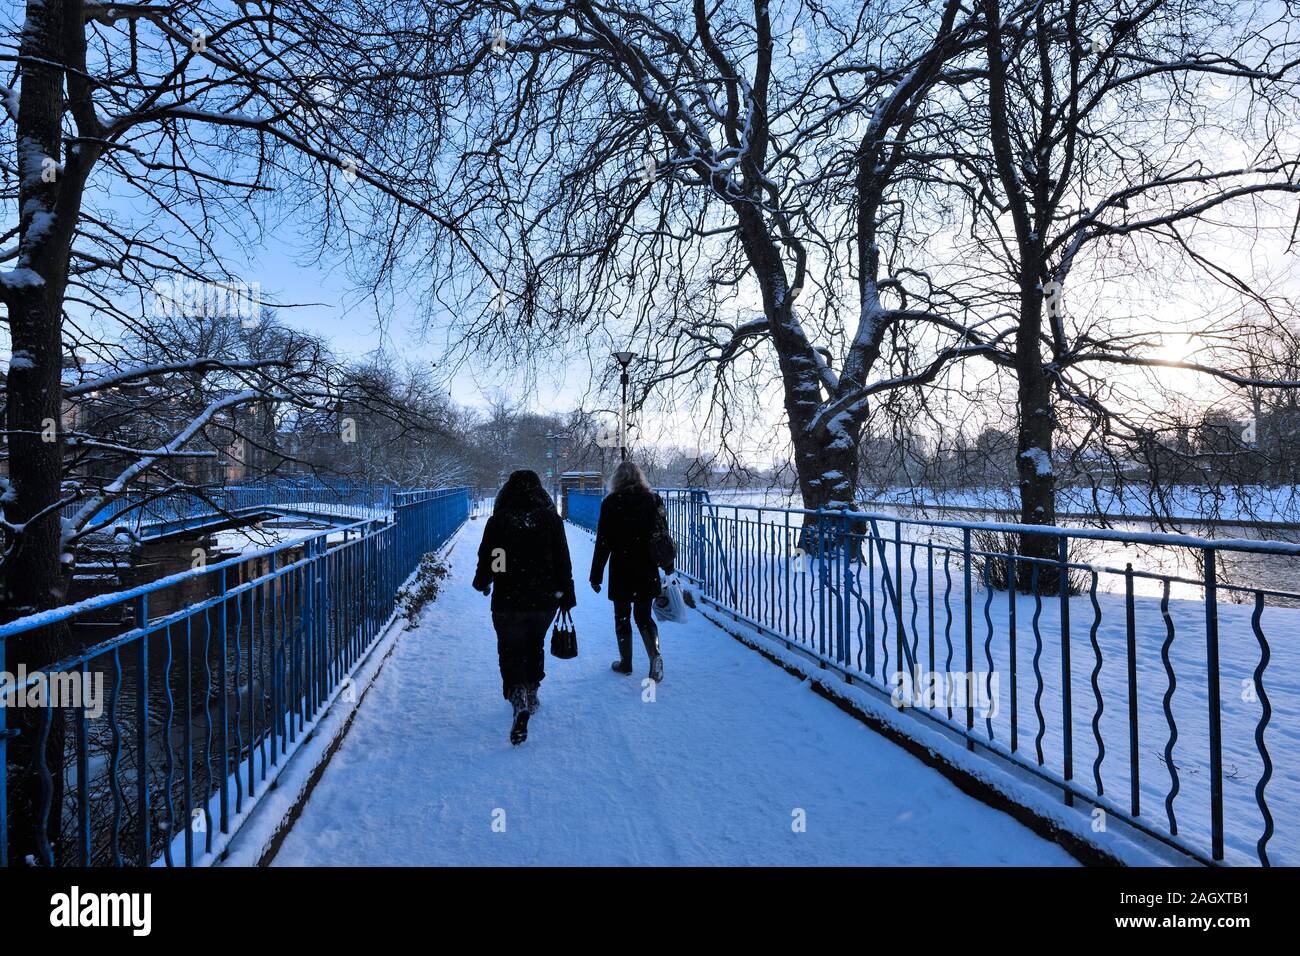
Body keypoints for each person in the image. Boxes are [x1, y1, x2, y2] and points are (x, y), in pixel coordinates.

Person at [473, 470, 576, 745]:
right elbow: (562, 561)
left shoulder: (499, 522)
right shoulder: (552, 521)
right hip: (544, 600)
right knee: (534, 645)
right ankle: (532, 691)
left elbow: (493, 559)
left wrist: (484, 581)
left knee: (509, 648)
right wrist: (566, 596)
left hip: (508, 600)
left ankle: (517, 695)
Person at [589, 460, 672, 682]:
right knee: (643, 616)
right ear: (640, 477)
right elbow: (662, 535)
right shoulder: (653, 500)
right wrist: (668, 566)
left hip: (622, 567)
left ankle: (626, 663)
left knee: (622, 616)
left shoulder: (610, 503)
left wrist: (596, 575)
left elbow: (603, 542)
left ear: (616, 479)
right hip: (646, 566)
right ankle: (654, 656)